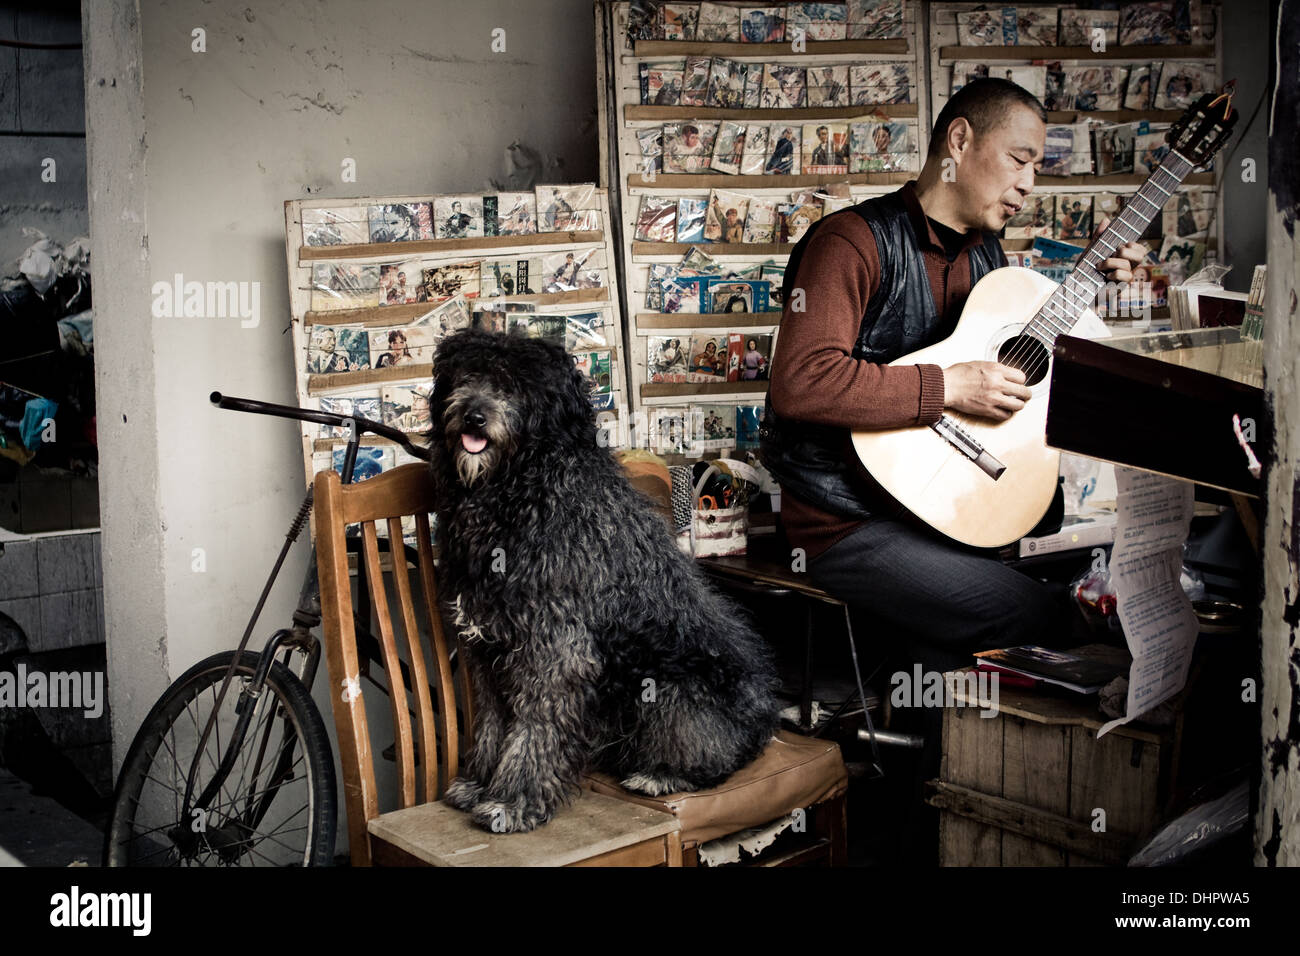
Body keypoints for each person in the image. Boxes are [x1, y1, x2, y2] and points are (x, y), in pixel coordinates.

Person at [759, 78, 1146, 857]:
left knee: (1012, 616)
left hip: (932, 513)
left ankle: (929, 822)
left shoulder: (990, 262)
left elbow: (997, 389)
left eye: (1039, 167)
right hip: (843, 522)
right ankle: (929, 818)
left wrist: (1097, 311)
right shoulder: (849, 243)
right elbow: (802, 384)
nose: (1030, 183)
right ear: (960, 142)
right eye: (1020, 160)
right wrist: (950, 386)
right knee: (1032, 619)